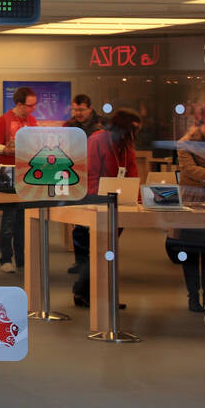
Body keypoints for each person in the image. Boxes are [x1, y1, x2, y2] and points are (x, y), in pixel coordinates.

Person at [73, 108, 141, 307]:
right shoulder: (97, 140)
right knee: (99, 250)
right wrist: (95, 199)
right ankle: (82, 292)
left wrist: (135, 199)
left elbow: (131, 172)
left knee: (106, 250)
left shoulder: (126, 145)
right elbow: (89, 173)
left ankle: (97, 295)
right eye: (134, 129)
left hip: (118, 203)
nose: (136, 134)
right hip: (96, 200)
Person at [169, 105, 205, 312]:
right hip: (192, 199)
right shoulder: (185, 144)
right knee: (190, 251)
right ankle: (193, 296)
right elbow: (188, 169)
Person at [0, 87, 38, 273]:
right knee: (9, 218)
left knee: (24, 219)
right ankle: (6, 259)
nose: (33, 109)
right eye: (30, 105)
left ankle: (22, 259)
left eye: (34, 105)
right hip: (8, 173)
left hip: (28, 173)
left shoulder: (32, 121)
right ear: (19, 104)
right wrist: (7, 150)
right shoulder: (4, 120)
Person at [62, 94, 105, 275]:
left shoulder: (103, 126)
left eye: (81, 110)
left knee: (98, 224)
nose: (78, 113)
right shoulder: (68, 126)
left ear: (90, 108)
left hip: (99, 178)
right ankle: (81, 262)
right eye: (75, 109)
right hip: (76, 177)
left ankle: (97, 261)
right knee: (78, 223)